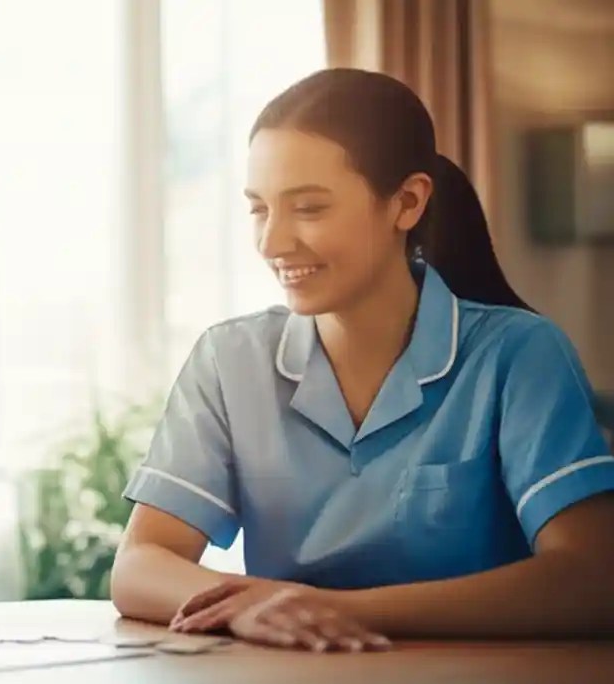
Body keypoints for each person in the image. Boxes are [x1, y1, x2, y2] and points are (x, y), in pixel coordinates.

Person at [111, 69, 614, 652]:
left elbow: (591, 578)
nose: (273, 243)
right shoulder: (229, 360)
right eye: (258, 209)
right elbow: (141, 563)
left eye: (309, 209)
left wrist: (330, 609)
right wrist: (254, 609)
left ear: (406, 203)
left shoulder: (518, 355)